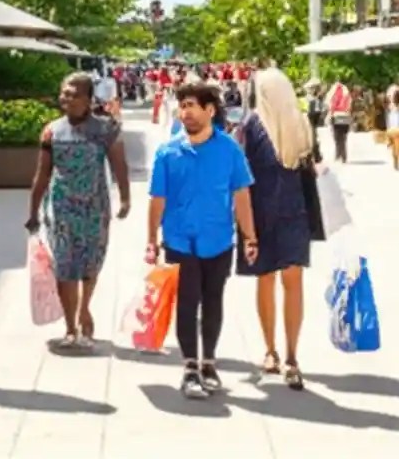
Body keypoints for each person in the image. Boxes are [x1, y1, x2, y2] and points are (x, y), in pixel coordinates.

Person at [147, 82, 258, 399]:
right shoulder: (168, 152)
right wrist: (150, 239)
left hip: (219, 238)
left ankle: (209, 363)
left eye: (192, 105)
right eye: (182, 106)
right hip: (179, 240)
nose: (186, 112)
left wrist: (250, 236)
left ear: (210, 111)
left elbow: (241, 195)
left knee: (213, 301)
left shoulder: (229, 150)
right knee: (187, 301)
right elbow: (157, 199)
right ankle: (190, 368)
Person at [28, 73, 130, 350]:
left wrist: (125, 197)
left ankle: (85, 307)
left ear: (88, 99)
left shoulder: (106, 128)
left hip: (95, 206)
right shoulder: (51, 131)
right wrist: (33, 210)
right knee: (64, 265)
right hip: (61, 208)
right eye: (64, 93)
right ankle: (71, 327)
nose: (67, 99)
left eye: (74, 94)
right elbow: (43, 172)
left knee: (91, 262)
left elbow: (119, 163)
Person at [235, 68, 313, 389]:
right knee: (284, 281)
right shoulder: (301, 124)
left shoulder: (250, 126)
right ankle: (283, 354)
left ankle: (280, 353)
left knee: (271, 280)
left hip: (265, 212)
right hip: (291, 213)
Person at [325, 80, 352, 163]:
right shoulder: (346, 93)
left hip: (336, 115)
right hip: (345, 115)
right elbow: (349, 105)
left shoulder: (333, 94)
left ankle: (338, 154)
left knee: (337, 137)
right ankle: (344, 156)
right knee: (343, 137)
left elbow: (330, 105)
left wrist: (330, 114)